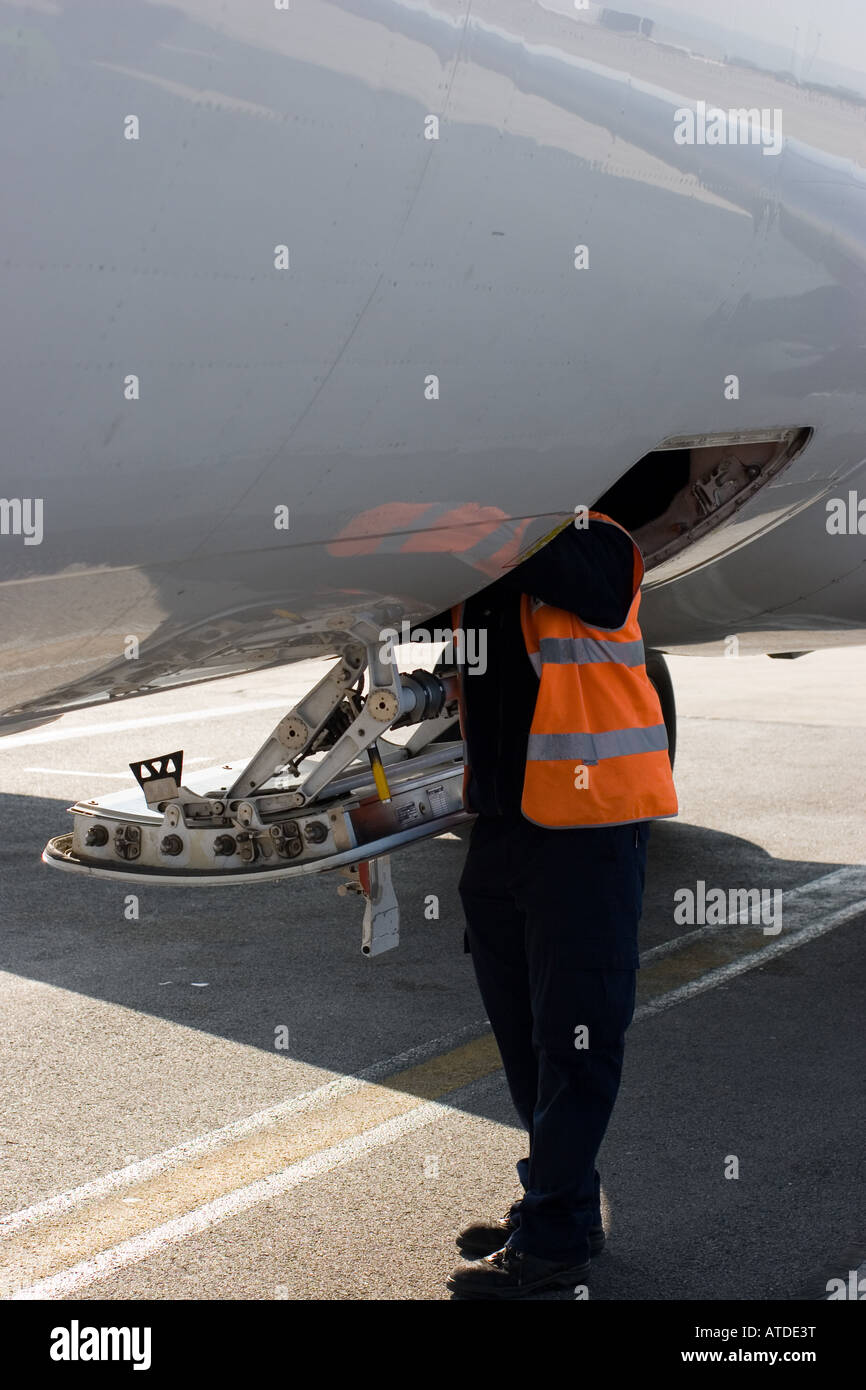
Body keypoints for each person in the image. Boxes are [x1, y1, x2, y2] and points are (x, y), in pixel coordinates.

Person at [434, 510, 678, 1299]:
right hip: (506, 829)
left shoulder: (598, 546)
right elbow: (428, 630)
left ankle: (552, 1255)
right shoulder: (485, 580)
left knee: (578, 1041)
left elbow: (591, 591)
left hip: (591, 831)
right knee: (528, 1041)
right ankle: (561, 1207)